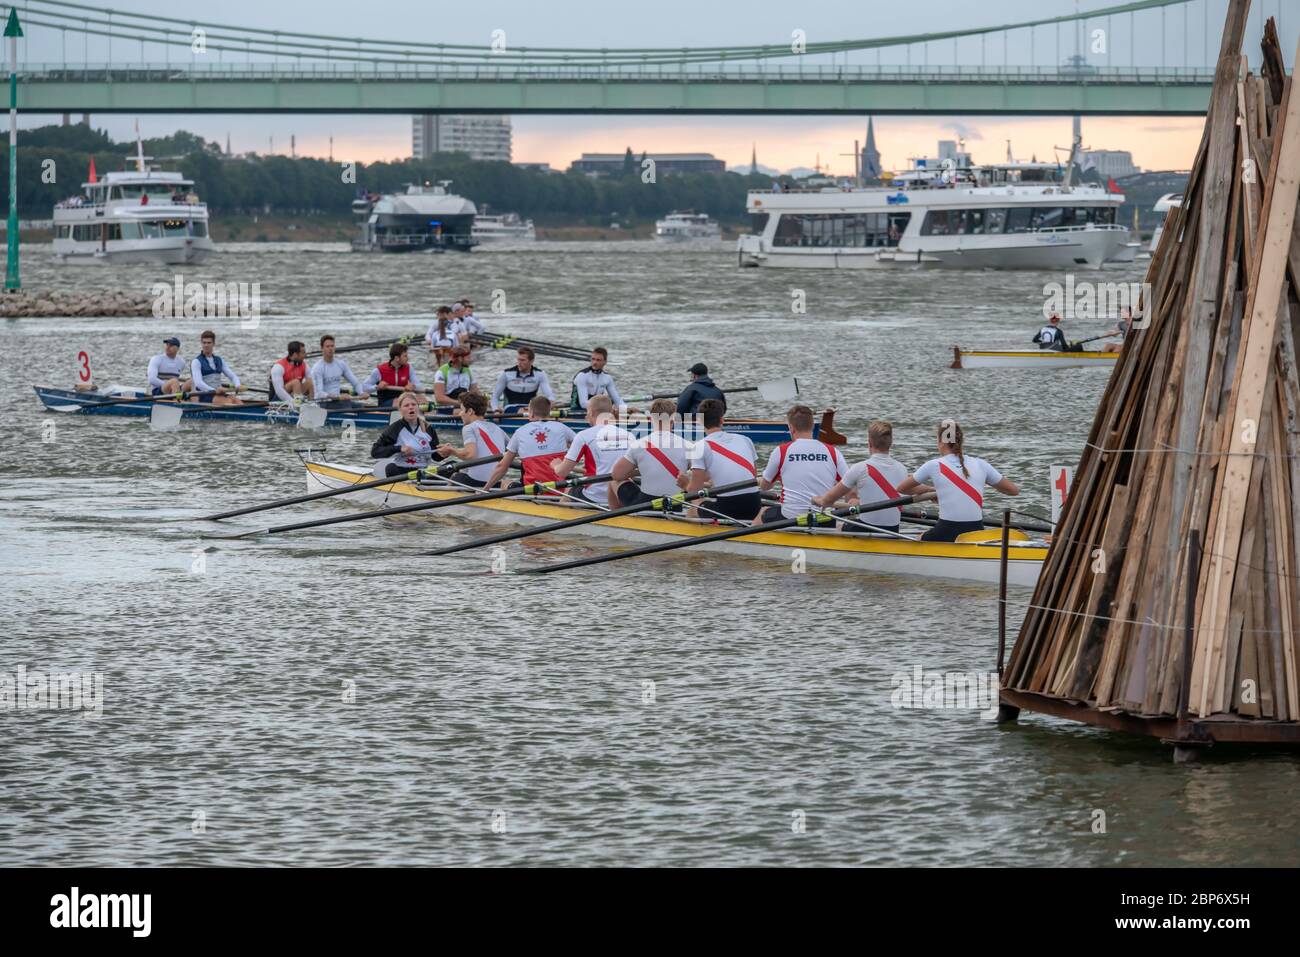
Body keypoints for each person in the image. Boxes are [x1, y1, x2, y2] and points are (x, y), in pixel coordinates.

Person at [896, 420, 1020, 542]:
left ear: (941, 442)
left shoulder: (934, 465)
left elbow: (902, 488)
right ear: (960, 442)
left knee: (919, 538)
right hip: (976, 531)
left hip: (946, 530)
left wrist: (930, 490)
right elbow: (1013, 491)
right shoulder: (981, 464)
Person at [812, 420, 912, 534]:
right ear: (890, 444)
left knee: (838, 526)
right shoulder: (902, 469)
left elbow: (827, 500)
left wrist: (816, 500)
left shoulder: (860, 468)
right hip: (893, 530)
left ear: (869, 443)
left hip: (866, 529)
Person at [755, 404, 849, 525]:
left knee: (763, 511)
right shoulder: (833, 452)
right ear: (812, 426)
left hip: (790, 518)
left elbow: (765, 487)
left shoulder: (781, 451)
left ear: (791, 428)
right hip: (825, 519)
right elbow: (849, 487)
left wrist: (777, 477)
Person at [681, 398, 761, 521]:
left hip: (727, 509)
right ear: (722, 420)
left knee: (695, 502)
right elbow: (753, 475)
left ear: (699, 422)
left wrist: (685, 485)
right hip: (755, 505)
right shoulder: (745, 439)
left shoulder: (699, 446)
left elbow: (694, 490)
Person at [608, 399, 692, 510]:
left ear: (651, 419)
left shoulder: (639, 445)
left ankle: (615, 519)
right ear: (674, 420)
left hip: (645, 505)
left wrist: (641, 470)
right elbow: (702, 476)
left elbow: (616, 475)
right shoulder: (688, 446)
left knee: (613, 482)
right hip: (675, 505)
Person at [552, 394, 634, 506]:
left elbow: (563, 472)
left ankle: (558, 516)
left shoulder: (583, 436)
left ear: (591, 413)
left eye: (587, 412)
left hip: (595, 495)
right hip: (620, 493)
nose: (586, 416)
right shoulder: (629, 435)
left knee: (570, 489)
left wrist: (556, 465)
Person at [482, 395, 574, 491]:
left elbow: (502, 466)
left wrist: (485, 489)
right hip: (560, 490)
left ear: (532, 414)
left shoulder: (520, 432)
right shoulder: (562, 428)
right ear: (549, 412)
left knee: (505, 483)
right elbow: (582, 447)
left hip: (531, 491)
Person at [435, 391, 508, 488]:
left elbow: (470, 455)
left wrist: (451, 450)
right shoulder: (497, 428)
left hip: (476, 481)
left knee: (452, 473)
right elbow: (512, 452)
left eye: (462, 409)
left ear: (470, 411)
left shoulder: (469, 428)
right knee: (457, 466)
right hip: (495, 482)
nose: (460, 414)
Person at [369, 391, 444, 478]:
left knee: (451, 466)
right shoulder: (395, 429)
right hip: (402, 471)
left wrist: (444, 453)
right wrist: (399, 448)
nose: (411, 407)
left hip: (423, 472)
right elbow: (375, 452)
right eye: (406, 405)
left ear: (418, 407)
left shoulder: (428, 429)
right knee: (390, 468)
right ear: (400, 410)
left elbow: (436, 457)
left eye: (413, 404)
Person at [310, 334, 369, 404]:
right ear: (322, 348)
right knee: (346, 405)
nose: (330, 349)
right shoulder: (318, 368)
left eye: (332, 346)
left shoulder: (341, 364)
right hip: (323, 403)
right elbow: (319, 393)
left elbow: (355, 383)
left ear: (335, 347)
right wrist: (338, 397)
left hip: (338, 401)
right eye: (327, 346)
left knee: (360, 406)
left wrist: (361, 393)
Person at [491, 346, 555, 412]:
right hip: (511, 408)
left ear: (531, 361)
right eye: (518, 359)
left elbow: (549, 394)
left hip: (531, 409)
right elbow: (495, 396)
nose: (519, 363)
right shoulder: (506, 374)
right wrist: (496, 410)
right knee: (523, 411)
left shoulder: (540, 374)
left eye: (522, 360)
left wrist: (551, 401)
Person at [190, 330, 244, 406]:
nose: (206, 345)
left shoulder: (219, 360)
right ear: (201, 343)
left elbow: (232, 376)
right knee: (229, 403)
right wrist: (214, 390)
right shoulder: (196, 362)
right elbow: (198, 383)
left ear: (214, 344)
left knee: (238, 402)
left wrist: (238, 385)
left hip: (219, 393)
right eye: (204, 343)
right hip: (204, 395)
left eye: (209, 343)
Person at [362, 342, 424, 407]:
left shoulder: (409, 368)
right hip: (385, 404)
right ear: (397, 358)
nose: (408, 358)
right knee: (401, 402)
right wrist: (377, 387)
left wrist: (413, 386)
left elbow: (419, 386)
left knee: (422, 399)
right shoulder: (379, 370)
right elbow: (364, 387)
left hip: (403, 401)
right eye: (405, 356)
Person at [569, 347, 623, 411]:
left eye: (598, 360)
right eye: (593, 359)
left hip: (596, 410)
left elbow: (617, 399)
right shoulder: (582, 375)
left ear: (605, 362)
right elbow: (583, 404)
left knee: (619, 408)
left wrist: (625, 409)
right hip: (578, 410)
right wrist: (605, 407)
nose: (594, 362)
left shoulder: (607, 378)